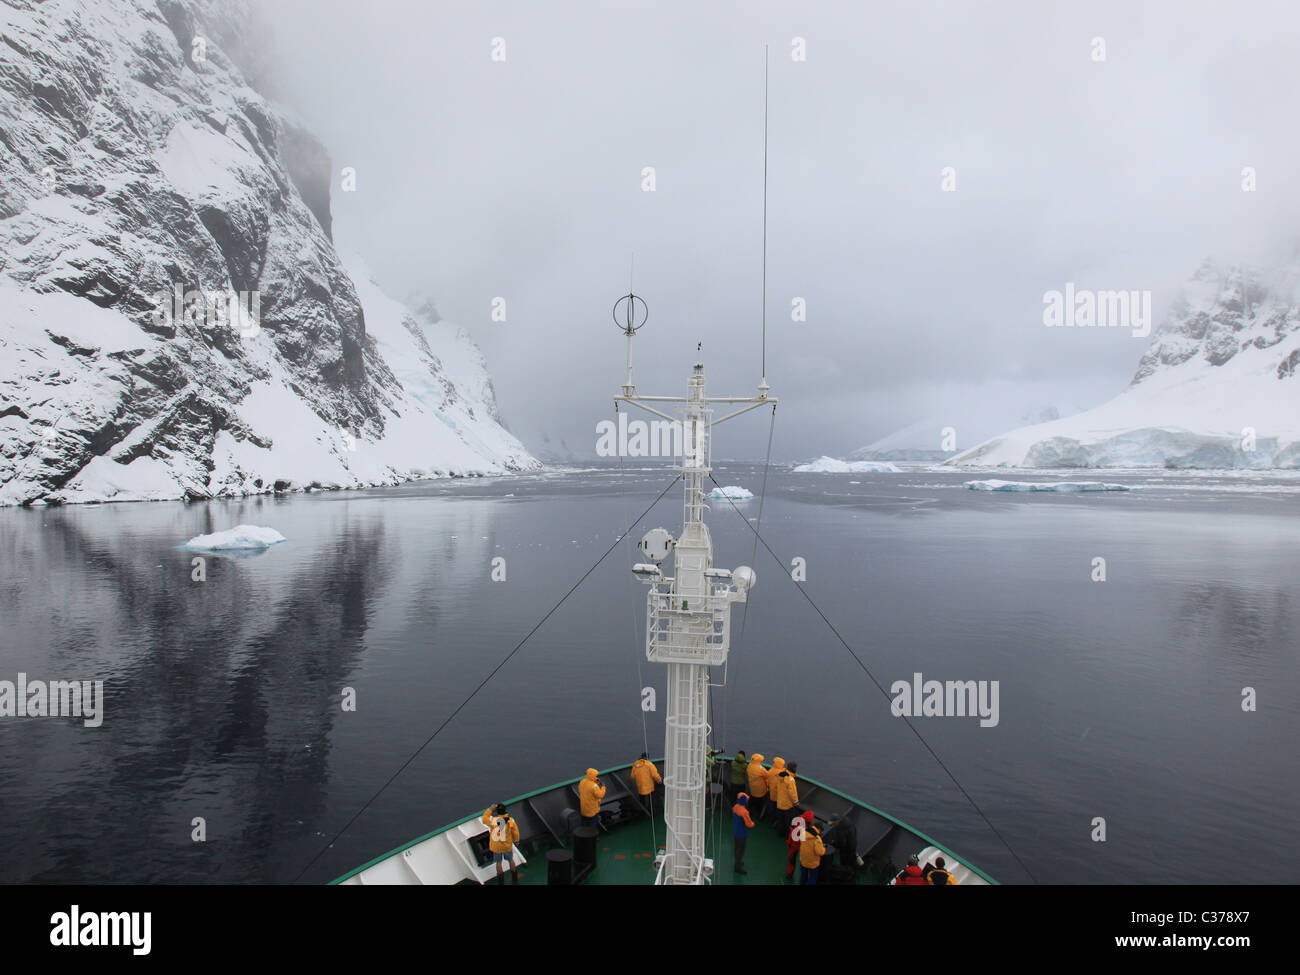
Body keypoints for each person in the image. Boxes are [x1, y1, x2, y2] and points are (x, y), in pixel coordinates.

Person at [481, 803, 521, 884]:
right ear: (505, 810)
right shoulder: (510, 820)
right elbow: (515, 832)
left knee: (498, 863)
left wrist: (490, 809)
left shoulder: (493, 820)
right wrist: (516, 841)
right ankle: (515, 878)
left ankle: (501, 881)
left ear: (497, 811)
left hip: (496, 846)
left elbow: (484, 819)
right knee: (510, 860)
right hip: (506, 845)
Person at [630, 753, 662, 818]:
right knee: (652, 800)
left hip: (640, 787)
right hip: (649, 787)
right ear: (647, 758)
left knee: (642, 800)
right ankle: (652, 813)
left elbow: (632, 776)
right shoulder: (649, 764)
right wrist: (659, 780)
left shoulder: (635, 764)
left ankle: (643, 813)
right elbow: (654, 775)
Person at [785, 809, 814, 881]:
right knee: (801, 861)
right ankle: (802, 877)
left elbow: (792, 833)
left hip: (794, 845)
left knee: (792, 859)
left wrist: (789, 843)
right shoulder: (805, 825)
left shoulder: (798, 820)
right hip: (798, 845)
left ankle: (789, 874)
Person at [731, 792, 755, 875]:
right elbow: (749, 824)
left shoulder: (735, 807)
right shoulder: (744, 812)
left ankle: (738, 862)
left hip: (736, 831)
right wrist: (753, 824)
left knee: (737, 848)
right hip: (742, 833)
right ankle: (737, 867)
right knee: (741, 850)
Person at [746, 753, 771, 821]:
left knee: (751, 802)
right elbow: (767, 775)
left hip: (752, 789)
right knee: (759, 804)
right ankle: (758, 815)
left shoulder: (749, 766)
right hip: (760, 791)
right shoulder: (761, 769)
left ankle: (748, 813)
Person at [765, 757, 788, 824]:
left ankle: (770, 817)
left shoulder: (770, 771)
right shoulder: (783, 773)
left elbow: (767, 780)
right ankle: (775, 819)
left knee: (771, 805)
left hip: (772, 792)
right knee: (777, 808)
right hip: (779, 795)